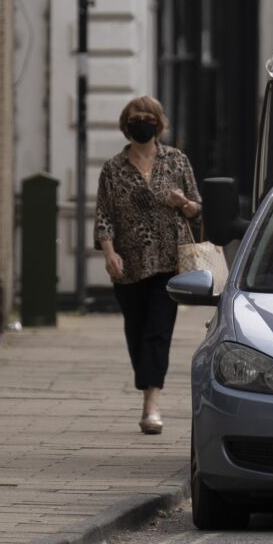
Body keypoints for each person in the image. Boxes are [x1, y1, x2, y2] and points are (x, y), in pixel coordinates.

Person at [94, 95, 202, 436]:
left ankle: (151, 403)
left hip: (168, 261)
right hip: (128, 263)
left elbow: (197, 209)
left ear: (159, 123)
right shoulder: (113, 168)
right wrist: (109, 253)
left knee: (158, 330)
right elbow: (103, 216)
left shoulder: (176, 161)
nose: (143, 121)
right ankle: (147, 388)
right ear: (127, 125)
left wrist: (182, 202)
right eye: (136, 117)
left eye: (148, 116)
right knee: (136, 331)